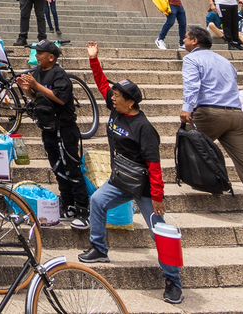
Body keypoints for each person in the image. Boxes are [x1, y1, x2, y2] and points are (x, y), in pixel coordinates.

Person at [77, 43, 181, 305]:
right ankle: (99, 248)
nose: (112, 97)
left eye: (118, 95)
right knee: (98, 201)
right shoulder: (115, 109)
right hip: (121, 179)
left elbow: (155, 166)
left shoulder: (144, 128)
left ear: (131, 102)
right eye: (113, 94)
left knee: (160, 232)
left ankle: (173, 280)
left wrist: (158, 197)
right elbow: (102, 84)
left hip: (144, 187)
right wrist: (94, 60)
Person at [180, 26, 243, 223]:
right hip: (235, 114)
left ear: (194, 41)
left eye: (185, 38)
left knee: (189, 145)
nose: (184, 41)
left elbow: (192, 85)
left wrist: (187, 108)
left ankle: (205, 182)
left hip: (208, 112)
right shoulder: (225, 61)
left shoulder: (192, 59)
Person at [16, 39, 87, 228]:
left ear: (51, 57)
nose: (37, 56)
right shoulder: (37, 73)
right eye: (36, 52)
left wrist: (37, 87)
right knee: (57, 167)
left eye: (40, 53)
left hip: (64, 129)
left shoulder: (59, 75)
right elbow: (40, 97)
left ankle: (83, 210)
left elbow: (61, 100)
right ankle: (67, 203)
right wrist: (28, 91)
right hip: (47, 128)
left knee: (72, 166)